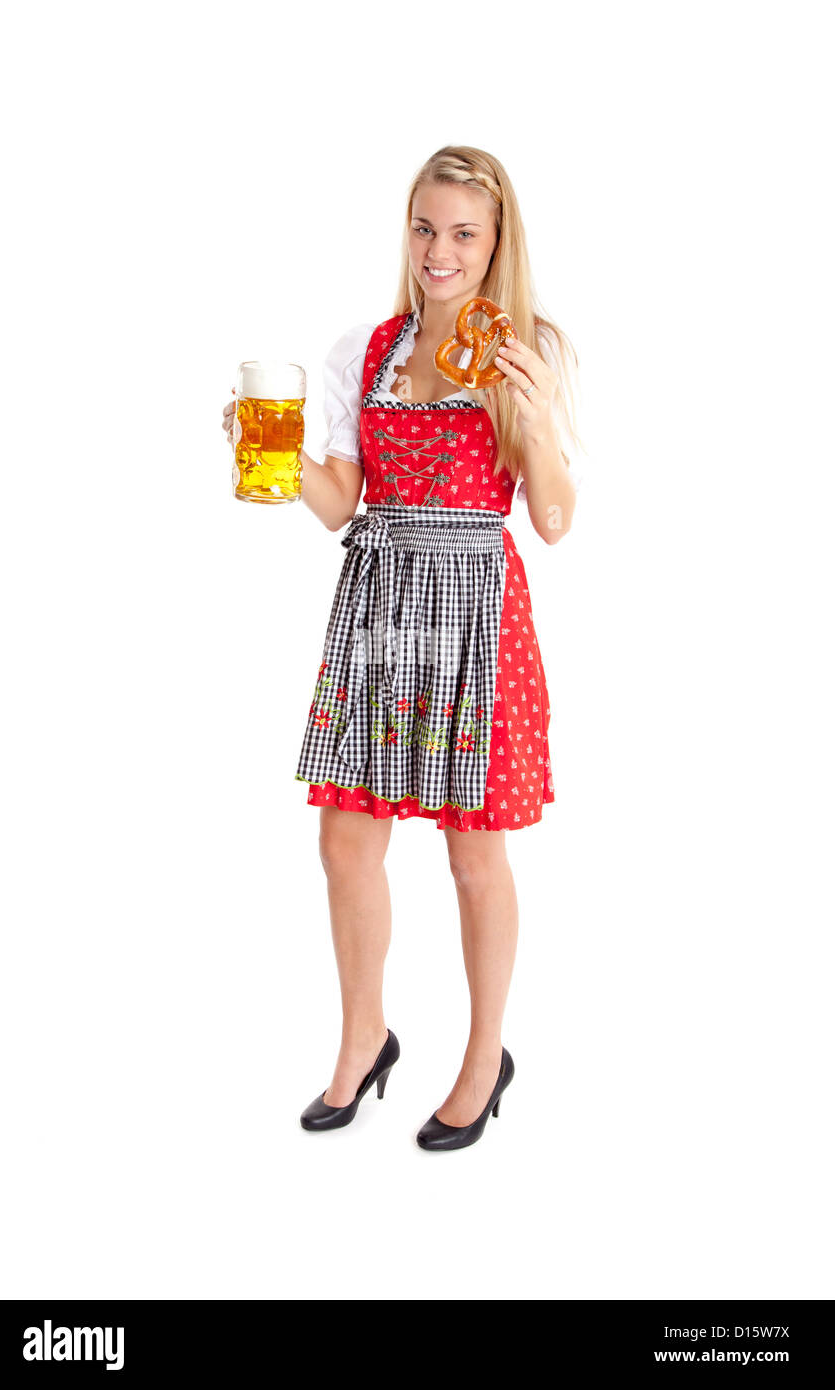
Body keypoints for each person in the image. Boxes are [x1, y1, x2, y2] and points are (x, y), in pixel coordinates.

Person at [222, 145, 582, 1152]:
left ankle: (483, 1055)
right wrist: (279, 455)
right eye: (425, 226)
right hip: (379, 598)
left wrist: (539, 417)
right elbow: (344, 500)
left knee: (474, 851)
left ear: (495, 241)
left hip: (472, 606)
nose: (439, 249)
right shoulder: (366, 348)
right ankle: (363, 1037)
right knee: (343, 838)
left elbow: (552, 520)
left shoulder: (522, 352)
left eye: (462, 232)